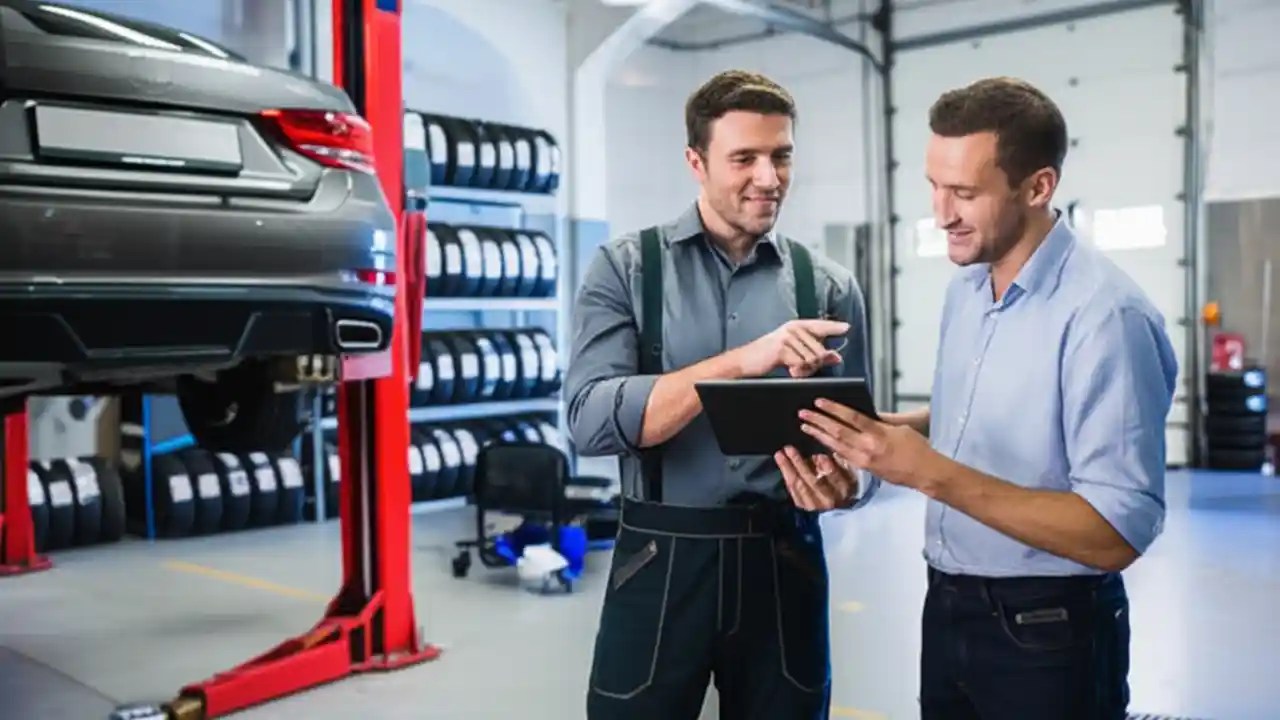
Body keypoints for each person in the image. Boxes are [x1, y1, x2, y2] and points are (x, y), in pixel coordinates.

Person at [784, 76, 1179, 719]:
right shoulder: (968, 291)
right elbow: (980, 419)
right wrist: (876, 433)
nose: (940, 213)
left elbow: (1116, 532)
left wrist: (931, 474)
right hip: (948, 609)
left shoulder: (1106, 316)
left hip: (1050, 635)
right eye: (933, 186)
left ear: (1038, 187)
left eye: (964, 192)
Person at [565, 69, 880, 720]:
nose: (769, 178)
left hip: (784, 555)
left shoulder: (827, 286)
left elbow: (862, 442)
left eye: (781, 156)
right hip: (658, 560)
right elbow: (590, 421)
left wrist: (852, 487)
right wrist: (744, 360)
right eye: (744, 158)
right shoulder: (625, 269)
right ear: (696, 161)